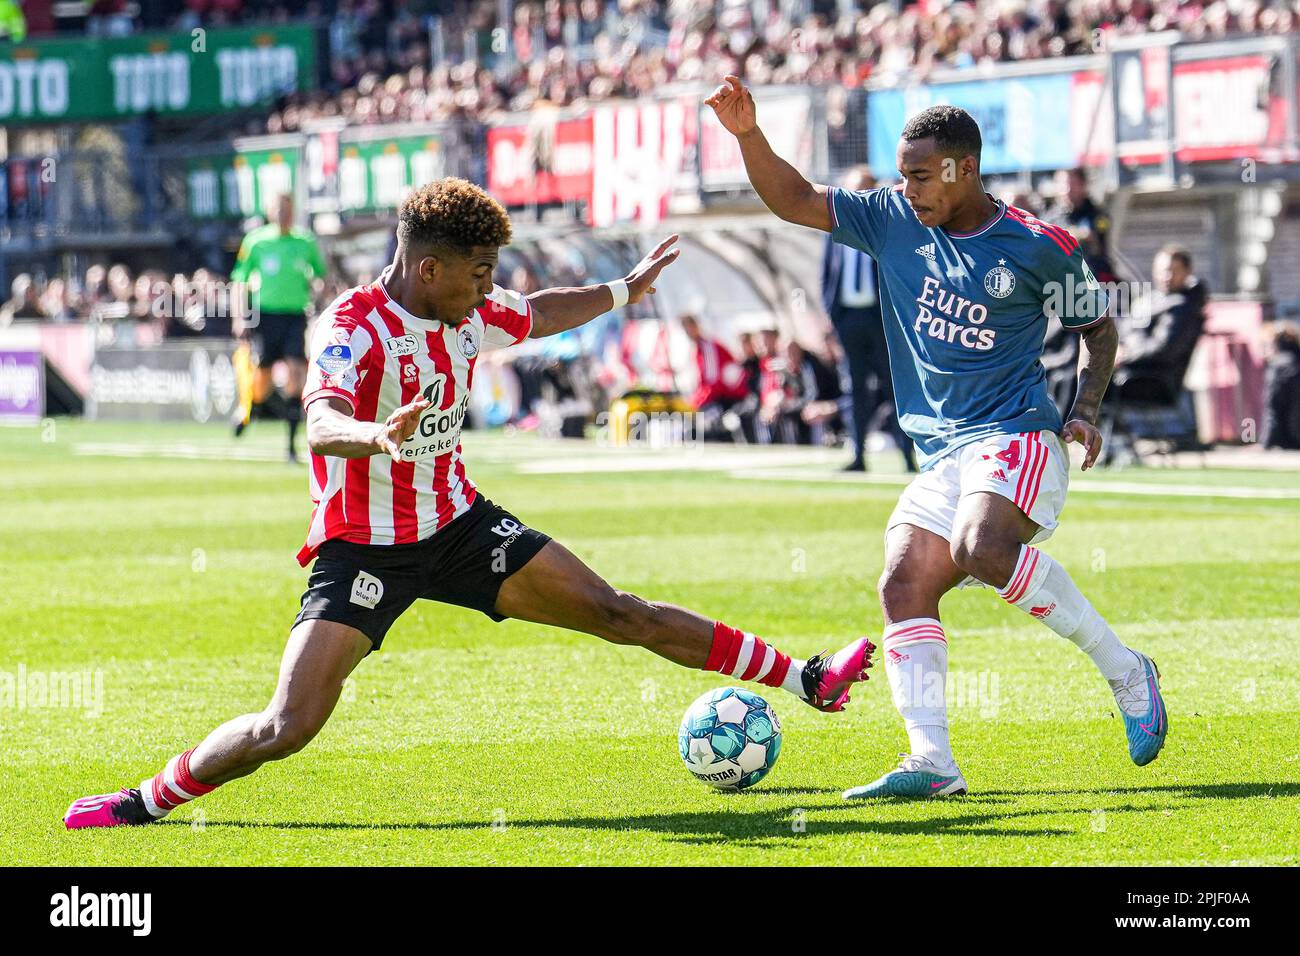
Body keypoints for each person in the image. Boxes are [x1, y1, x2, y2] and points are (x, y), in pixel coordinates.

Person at [63, 178, 873, 830]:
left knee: (617, 609)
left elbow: (542, 313)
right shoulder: (352, 328)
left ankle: (806, 678)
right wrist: (377, 437)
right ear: (429, 268)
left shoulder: (468, 313)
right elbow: (318, 421)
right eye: (479, 271)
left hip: (460, 524)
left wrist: (622, 290)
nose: (491, 288)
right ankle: (146, 800)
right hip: (365, 546)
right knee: (288, 726)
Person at [706, 76, 1168, 799]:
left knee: (980, 549)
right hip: (947, 450)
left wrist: (1085, 408)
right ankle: (933, 762)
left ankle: (1126, 670)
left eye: (922, 175)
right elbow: (795, 200)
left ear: (964, 169)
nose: (909, 188)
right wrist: (747, 136)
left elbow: (1098, 328)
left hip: (1018, 435)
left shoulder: (1038, 246)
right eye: (903, 175)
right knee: (902, 580)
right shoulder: (893, 219)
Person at [822, 166, 916, 473]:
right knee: (855, 389)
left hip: (881, 319)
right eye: (854, 190)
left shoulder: (886, 227)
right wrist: (832, 315)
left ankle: (907, 455)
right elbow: (828, 275)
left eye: (864, 189)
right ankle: (858, 455)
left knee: (894, 388)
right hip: (849, 318)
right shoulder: (838, 230)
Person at [231, 193, 327, 462]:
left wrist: (318, 294)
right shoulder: (256, 241)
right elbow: (240, 280)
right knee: (261, 382)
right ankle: (249, 409)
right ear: (270, 212)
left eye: (288, 209)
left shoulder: (305, 242)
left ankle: (291, 446)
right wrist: (240, 317)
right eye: (279, 210)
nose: (284, 215)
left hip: (295, 316)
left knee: (297, 374)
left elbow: (321, 275)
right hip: (266, 316)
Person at [1114, 245, 1207, 405]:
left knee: (1077, 380)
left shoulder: (1183, 307)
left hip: (1149, 381)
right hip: (1128, 371)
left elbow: (1163, 349)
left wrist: (1125, 356)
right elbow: (1124, 330)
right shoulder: (1151, 300)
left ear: (1187, 271)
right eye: (1163, 270)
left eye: (1173, 270)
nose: (1167, 276)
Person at [680, 313, 748, 439]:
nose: (687, 332)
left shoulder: (708, 347)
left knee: (701, 428)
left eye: (689, 327)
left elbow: (713, 384)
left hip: (726, 399)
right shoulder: (697, 349)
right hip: (713, 399)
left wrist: (695, 404)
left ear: (696, 326)